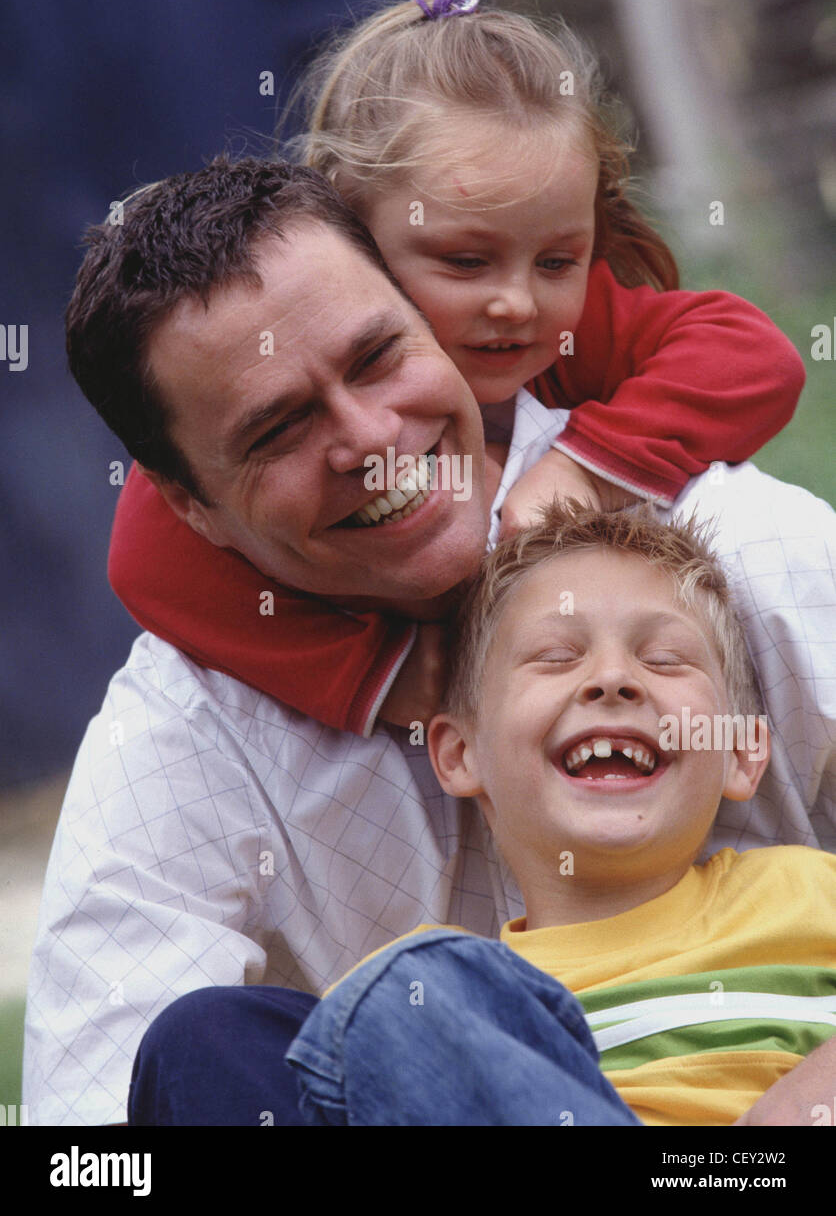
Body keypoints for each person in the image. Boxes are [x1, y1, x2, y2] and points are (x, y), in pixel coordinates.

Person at [24, 157, 834, 1127]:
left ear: (428, 318)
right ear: (191, 508)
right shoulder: (184, 740)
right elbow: (98, 1129)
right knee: (211, 1046)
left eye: (375, 357)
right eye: (279, 427)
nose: (369, 437)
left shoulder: (739, 560)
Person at [107, 0, 807, 737]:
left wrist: (576, 470)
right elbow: (146, 557)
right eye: (465, 263)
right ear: (351, 223)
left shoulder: (567, 328)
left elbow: (754, 355)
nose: (517, 302)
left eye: (556, 260)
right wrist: (380, 674)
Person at [128, 506, 836, 1126]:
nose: (613, 678)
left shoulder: (806, 893)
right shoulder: (439, 1003)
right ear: (461, 753)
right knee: (205, 1037)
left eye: (665, 657)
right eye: (556, 656)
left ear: (742, 751)